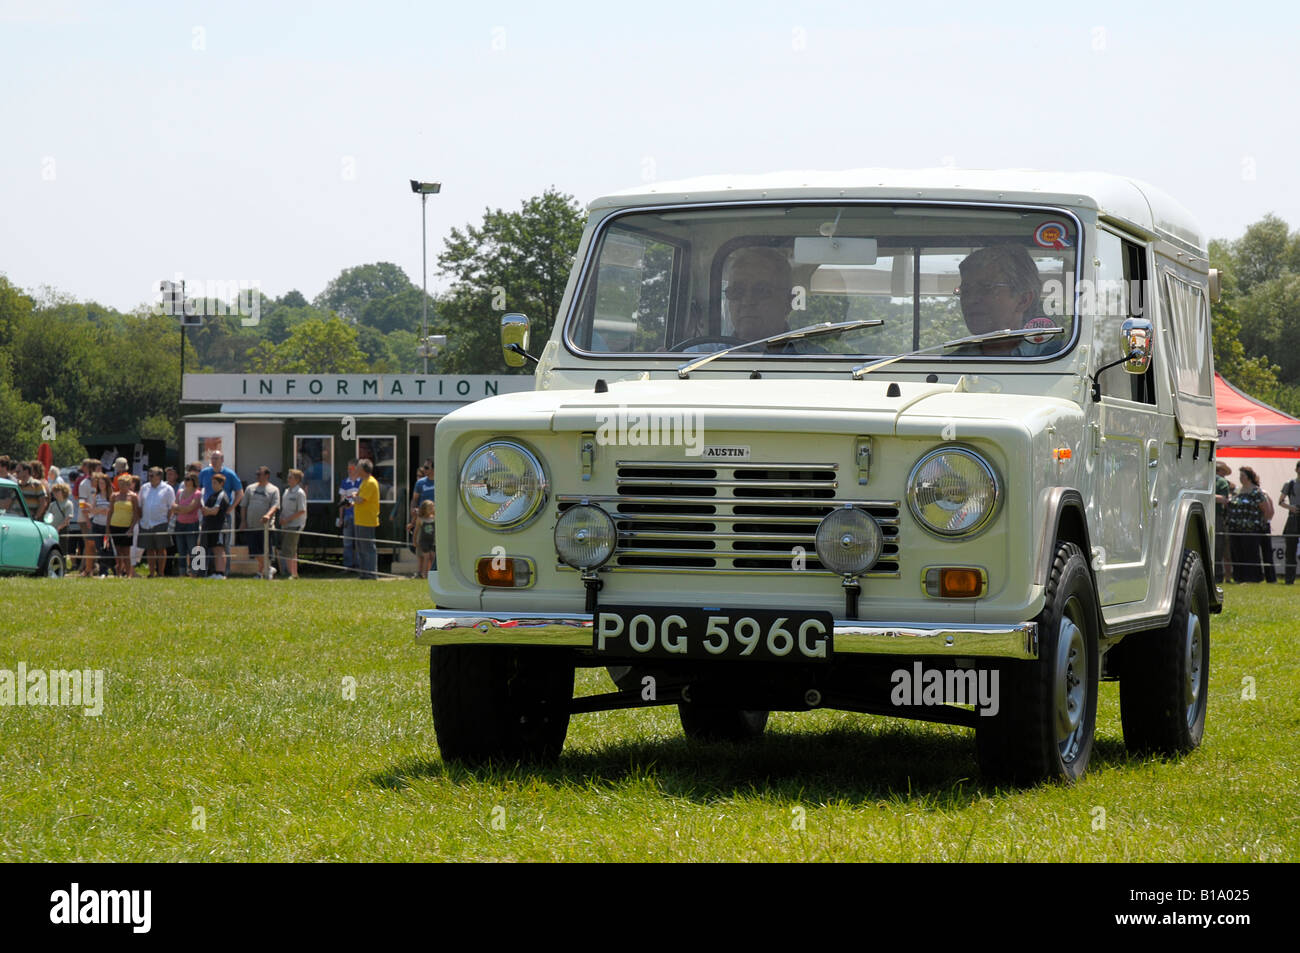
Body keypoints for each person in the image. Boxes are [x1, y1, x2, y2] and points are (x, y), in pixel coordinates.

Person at [956, 244, 1053, 356]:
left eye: (986, 288)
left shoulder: (1058, 358)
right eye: (966, 290)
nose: (970, 300)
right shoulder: (952, 363)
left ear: (1023, 300)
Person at [199, 451, 243, 577]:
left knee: (222, 545)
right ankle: (203, 571)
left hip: (221, 516)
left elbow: (240, 493)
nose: (214, 460)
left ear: (222, 459)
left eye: (217, 458)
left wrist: (231, 508)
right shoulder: (204, 473)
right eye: (212, 458)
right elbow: (199, 490)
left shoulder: (229, 474)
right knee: (205, 543)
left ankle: (223, 573)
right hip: (206, 515)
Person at [1228, 467, 1274, 583]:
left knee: (1251, 554)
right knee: (1237, 553)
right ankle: (1239, 577)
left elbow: (1267, 510)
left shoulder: (1256, 492)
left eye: (1243, 475)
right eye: (1240, 475)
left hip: (1252, 529)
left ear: (1249, 477)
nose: (1240, 478)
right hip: (1235, 528)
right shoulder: (1237, 491)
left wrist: (1262, 525)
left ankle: (1253, 578)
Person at [241, 466, 281, 579]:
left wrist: (268, 515)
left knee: (265, 550)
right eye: (257, 474)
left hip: (266, 527)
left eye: (260, 474)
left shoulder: (274, 489)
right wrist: (243, 521)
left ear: (267, 475)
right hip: (251, 525)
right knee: (254, 551)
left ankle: (260, 573)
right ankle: (268, 569)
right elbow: (244, 505)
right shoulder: (250, 488)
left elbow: (275, 506)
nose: (257, 476)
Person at [138, 466, 175, 579]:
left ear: (159, 476)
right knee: (149, 549)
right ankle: (151, 572)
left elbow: (171, 507)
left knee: (161, 548)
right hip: (146, 522)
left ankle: (161, 572)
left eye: (152, 475)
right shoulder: (144, 487)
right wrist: (141, 519)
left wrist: (167, 521)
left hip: (161, 522)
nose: (150, 477)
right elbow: (140, 505)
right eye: (149, 475)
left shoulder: (167, 489)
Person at [200, 473, 233, 579]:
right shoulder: (212, 495)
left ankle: (221, 573)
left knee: (219, 549)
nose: (213, 485)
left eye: (215, 483)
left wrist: (207, 510)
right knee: (214, 549)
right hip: (211, 527)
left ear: (221, 483)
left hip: (220, 527)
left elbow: (214, 511)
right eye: (212, 483)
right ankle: (215, 572)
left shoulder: (221, 495)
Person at [277, 468, 308, 579]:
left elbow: (301, 510)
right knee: (291, 550)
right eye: (288, 477)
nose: (288, 479)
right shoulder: (286, 491)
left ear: (297, 479)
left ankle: (291, 574)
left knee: (288, 549)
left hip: (295, 525)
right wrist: (282, 517)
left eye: (290, 477)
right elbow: (284, 508)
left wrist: (288, 519)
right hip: (286, 524)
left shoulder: (300, 493)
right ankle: (294, 574)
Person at [171, 473, 203, 577]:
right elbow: (173, 507)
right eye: (185, 479)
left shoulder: (197, 493)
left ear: (194, 481)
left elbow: (191, 508)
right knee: (181, 551)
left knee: (193, 549)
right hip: (180, 524)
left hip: (192, 524)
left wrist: (179, 508)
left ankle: (195, 572)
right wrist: (183, 509)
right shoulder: (180, 492)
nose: (186, 481)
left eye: (188, 479)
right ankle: (182, 572)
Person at [108, 474, 140, 578]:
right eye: (120, 484)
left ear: (129, 485)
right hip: (115, 525)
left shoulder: (133, 497)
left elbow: (136, 514)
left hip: (127, 526)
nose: (122, 487)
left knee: (126, 552)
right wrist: (107, 528)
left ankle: (129, 573)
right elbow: (110, 512)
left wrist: (131, 528)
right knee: (118, 551)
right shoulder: (114, 496)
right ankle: (119, 573)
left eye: (124, 484)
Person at [353, 458, 380, 579]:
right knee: (361, 548)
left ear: (364, 469)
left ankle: (371, 574)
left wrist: (354, 496)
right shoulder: (364, 481)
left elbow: (360, 499)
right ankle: (364, 573)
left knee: (368, 548)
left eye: (358, 468)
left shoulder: (370, 482)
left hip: (367, 521)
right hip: (360, 520)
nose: (356, 470)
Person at [1279, 461, 1300, 585]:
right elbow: (1280, 501)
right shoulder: (1290, 484)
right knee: (1290, 551)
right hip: (1293, 518)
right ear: (1296, 469)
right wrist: (1291, 508)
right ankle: (1289, 579)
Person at [338, 460, 361, 571]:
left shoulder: (362, 482)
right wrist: (341, 518)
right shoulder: (344, 482)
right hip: (348, 516)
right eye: (348, 469)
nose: (349, 471)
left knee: (358, 541)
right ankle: (347, 566)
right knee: (347, 542)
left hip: (359, 516)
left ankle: (359, 565)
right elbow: (342, 501)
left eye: (351, 469)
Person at [1214, 461, 1234, 584]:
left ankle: (1218, 575)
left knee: (1218, 547)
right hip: (1215, 516)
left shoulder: (1221, 482)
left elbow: (1223, 500)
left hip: (1217, 517)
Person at [46, 482, 76, 564]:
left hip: (62, 530)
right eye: (54, 491)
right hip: (52, 530)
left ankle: (63, 567)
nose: (55, 493)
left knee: (63, 549)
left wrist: (59, 527)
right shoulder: (52, 504)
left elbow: (68, 518)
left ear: (63, 491)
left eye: (57, 491)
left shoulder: (68, 504)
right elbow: (48, 516)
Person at [413, 498, 436, 578]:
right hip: (423, 541)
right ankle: (424, 574)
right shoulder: (421, 519)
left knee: (433, 556)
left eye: (432, 507)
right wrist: (414, 541)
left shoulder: (434, 518)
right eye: (429, 508)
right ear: (424, 509)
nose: (431, 509)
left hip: (432, 541)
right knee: (426, 557)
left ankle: (432, 574)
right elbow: (416, 531)